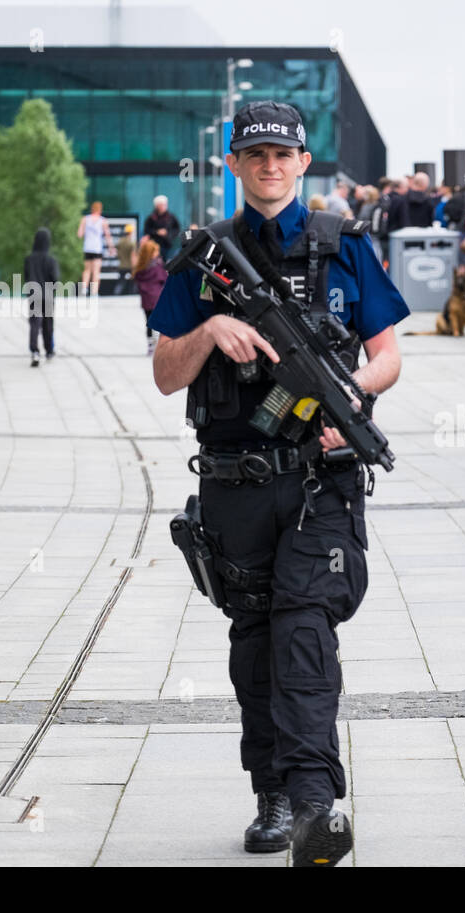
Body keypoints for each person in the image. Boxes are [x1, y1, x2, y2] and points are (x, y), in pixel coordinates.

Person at [148, 101, 409, 863]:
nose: (269, 165)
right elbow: (166, 375)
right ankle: (270, 793)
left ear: (303, 163)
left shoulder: (345, 246)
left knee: (304, 630)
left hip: (322, 480)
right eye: (254, 153)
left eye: (283, 154)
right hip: (238, 481)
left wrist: (356, 396)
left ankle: (314, 801)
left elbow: (388, 353)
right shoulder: (204, 257)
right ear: (232, 163)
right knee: (255, 638)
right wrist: (207, 331)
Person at [23, 227, 59, 367]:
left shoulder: (29, 259)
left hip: (34, 294)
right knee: (48, 324)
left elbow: (26, 277)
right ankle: (49, 350)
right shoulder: (51, 260)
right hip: (48, 295)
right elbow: (55, 278)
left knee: (34, 323)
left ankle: (34, 351)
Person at [133, 238, 167, 356]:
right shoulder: (157, 267)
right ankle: (159, 345)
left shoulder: (140, 269)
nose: (157, 253)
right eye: (156, 251)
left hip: (146, 300)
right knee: (160, 323)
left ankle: (150, 346)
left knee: (148, 323)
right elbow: (164, 279)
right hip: (157, 299)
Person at [78, 201, 112, 296]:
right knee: (96, 271)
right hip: (97, 248)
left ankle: (84, 289)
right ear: (100, 209)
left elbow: (79, 234)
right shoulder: (102, 220)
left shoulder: (85, 219)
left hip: (87, 247)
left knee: (87, 270)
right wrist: (111, 248)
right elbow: (108, 236)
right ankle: (94, 292)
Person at [144, 195, 180, 260]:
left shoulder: (171, 217)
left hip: (168, 246)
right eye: (161, 205)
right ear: (157, 206)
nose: (163, 206)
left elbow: (177, 229)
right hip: (155, 246)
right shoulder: (151, 218)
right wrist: (157, 232)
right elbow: (147, 230)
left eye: (165, 204)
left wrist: (168, 233)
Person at [115, 222, 137, 295]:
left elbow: (116, 252)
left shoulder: (120, 242)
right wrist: (134, 266)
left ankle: (116, 294)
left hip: (121, 265)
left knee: (121, 282)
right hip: (130, 266)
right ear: (130, 232)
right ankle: (132, 294)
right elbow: (133, 255)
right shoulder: (132, 243)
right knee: (133, 282)